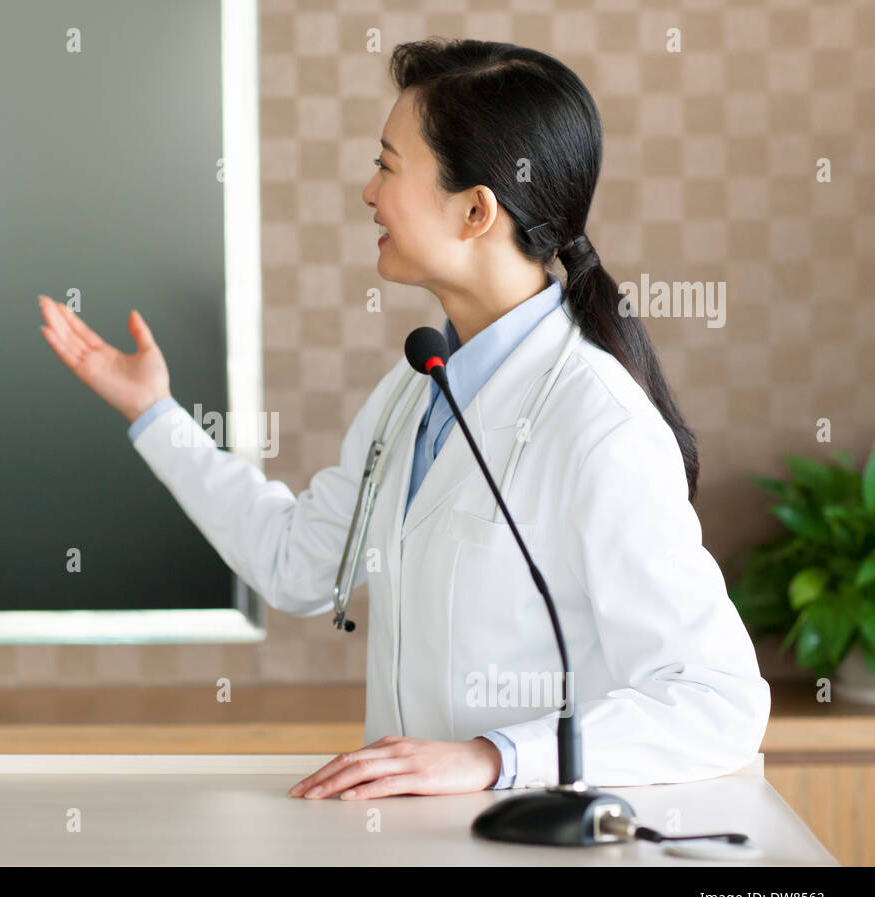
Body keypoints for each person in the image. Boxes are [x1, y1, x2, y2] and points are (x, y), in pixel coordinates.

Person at [38, 38, 769, 800]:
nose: (368, 193)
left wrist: (490, 757)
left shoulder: (600, 423)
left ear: (476, 210)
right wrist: (154, 414)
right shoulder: (419, 381)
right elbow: (298, 566)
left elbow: (717, 701)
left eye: (388, 165)